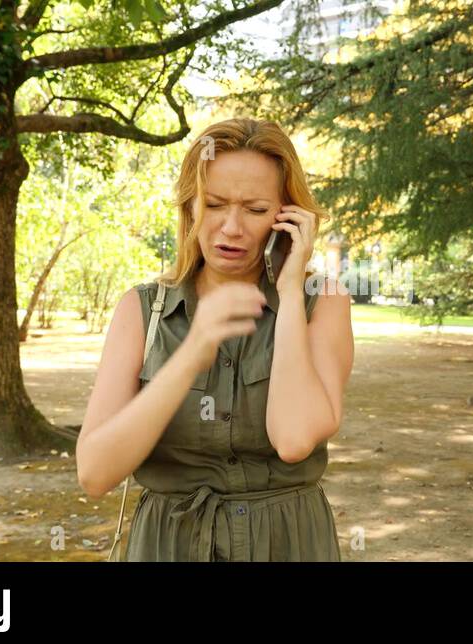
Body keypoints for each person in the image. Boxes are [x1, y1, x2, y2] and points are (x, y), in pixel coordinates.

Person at [76, 117, 354, 561]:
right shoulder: (142, 309)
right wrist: (190, 355)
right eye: (215, 204)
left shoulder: (324, 302)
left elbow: (295, 438)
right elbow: (95, 473)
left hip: (287, 544)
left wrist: (287, 289)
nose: (231, 228)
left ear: (287, 217)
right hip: (170, 546)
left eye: (256, 210)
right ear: (190, 207)